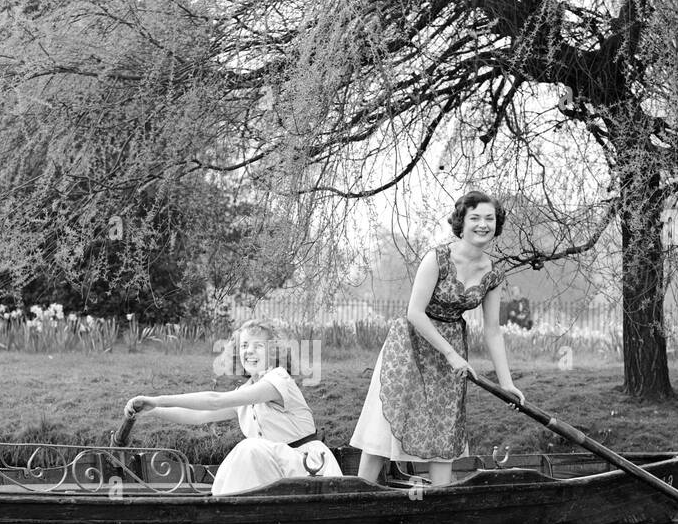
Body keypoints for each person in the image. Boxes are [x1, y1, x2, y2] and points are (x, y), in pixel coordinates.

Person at [350, 190, 525, 487]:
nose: (483, 224)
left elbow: (493, 330)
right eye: (475, 218)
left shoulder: (492, 273)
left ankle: (439, 504)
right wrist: (450, 354)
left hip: (452, 347)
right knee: (387, 420)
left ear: (497, 223)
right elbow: (414, 313)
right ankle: (357, 498)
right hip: (411, 343)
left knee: (444, 424)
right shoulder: (438, 257)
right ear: (461, 221)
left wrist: (507, 383)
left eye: (489, 219)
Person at [124, 318, 342, 496]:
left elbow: (215, 400)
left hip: (309, 468)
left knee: (249, 448)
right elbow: (199, 415)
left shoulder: (278, 380)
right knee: (250, 450)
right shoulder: (246, 392)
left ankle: (223, 508)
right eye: (245, 346)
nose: (249, 352)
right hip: (276, 470)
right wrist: (152, 409)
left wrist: (159, 399)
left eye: (258, 346)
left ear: (274, 352)